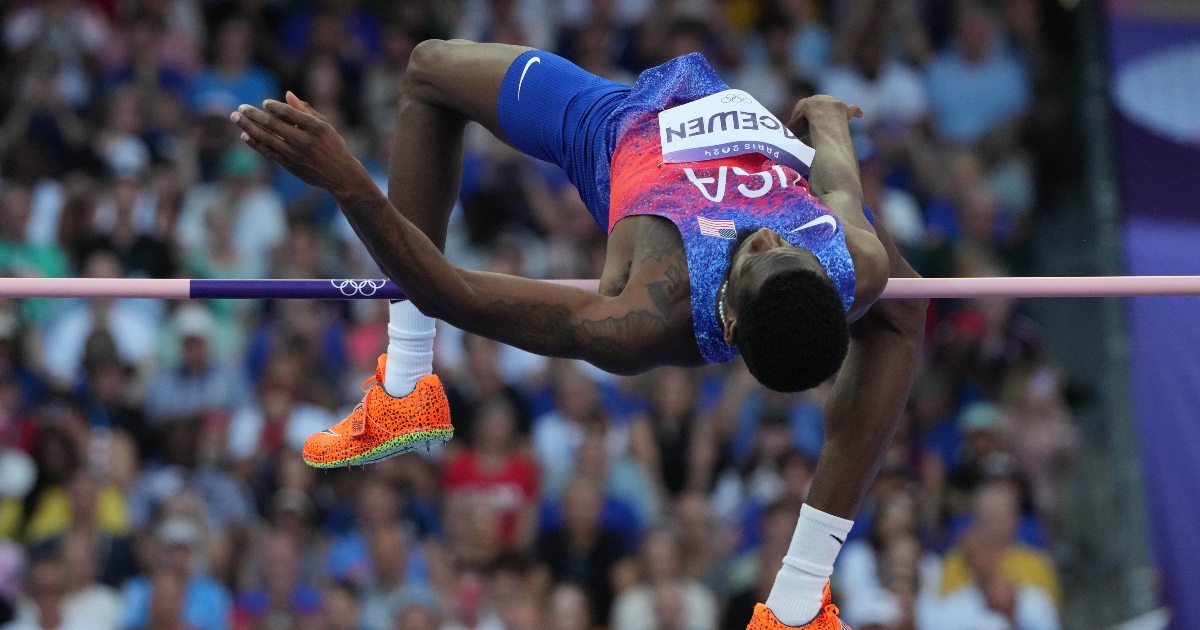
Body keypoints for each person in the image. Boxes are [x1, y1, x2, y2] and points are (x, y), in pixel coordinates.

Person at [233, 39, 927, 628]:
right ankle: (803, 605)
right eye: (788, 243)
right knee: (904, 304)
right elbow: (838, 187)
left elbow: (456, 290)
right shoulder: (843, 256)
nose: (770, 232)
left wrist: (349, 182)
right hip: (726, 118)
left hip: (623, 129)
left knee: (427, 71)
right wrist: (830, 122)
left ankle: (797, 597)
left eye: (756, 253)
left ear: (733, 316)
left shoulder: (643, 315)